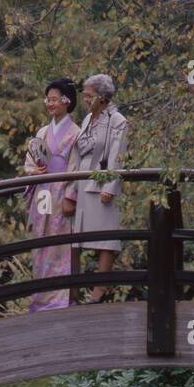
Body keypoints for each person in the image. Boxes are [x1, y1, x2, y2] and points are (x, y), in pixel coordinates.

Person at [64, 74, 129, 303]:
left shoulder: (117, 120)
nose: (84, 99)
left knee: (106, 238)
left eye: (89, 96)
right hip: (82, 183)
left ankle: (101, 288)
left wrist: (110, 186)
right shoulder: (86, 120)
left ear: (101, 98)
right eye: (85, 95)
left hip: (102, 184)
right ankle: (73, 289)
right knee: (78, 238)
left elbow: (117, 155)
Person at [22, 79, 82, 311]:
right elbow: (30, 161)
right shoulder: (43, 131)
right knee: (41, 243)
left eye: (55, 99)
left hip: (61, 192)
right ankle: (41, 297)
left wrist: (71, 195)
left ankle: (61, 299)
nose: (50, 103)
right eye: (48, 99)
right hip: (42, 192)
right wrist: (34, 171)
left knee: (61, 244)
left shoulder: (76, 133)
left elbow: (76, 167)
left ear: (67, 102)